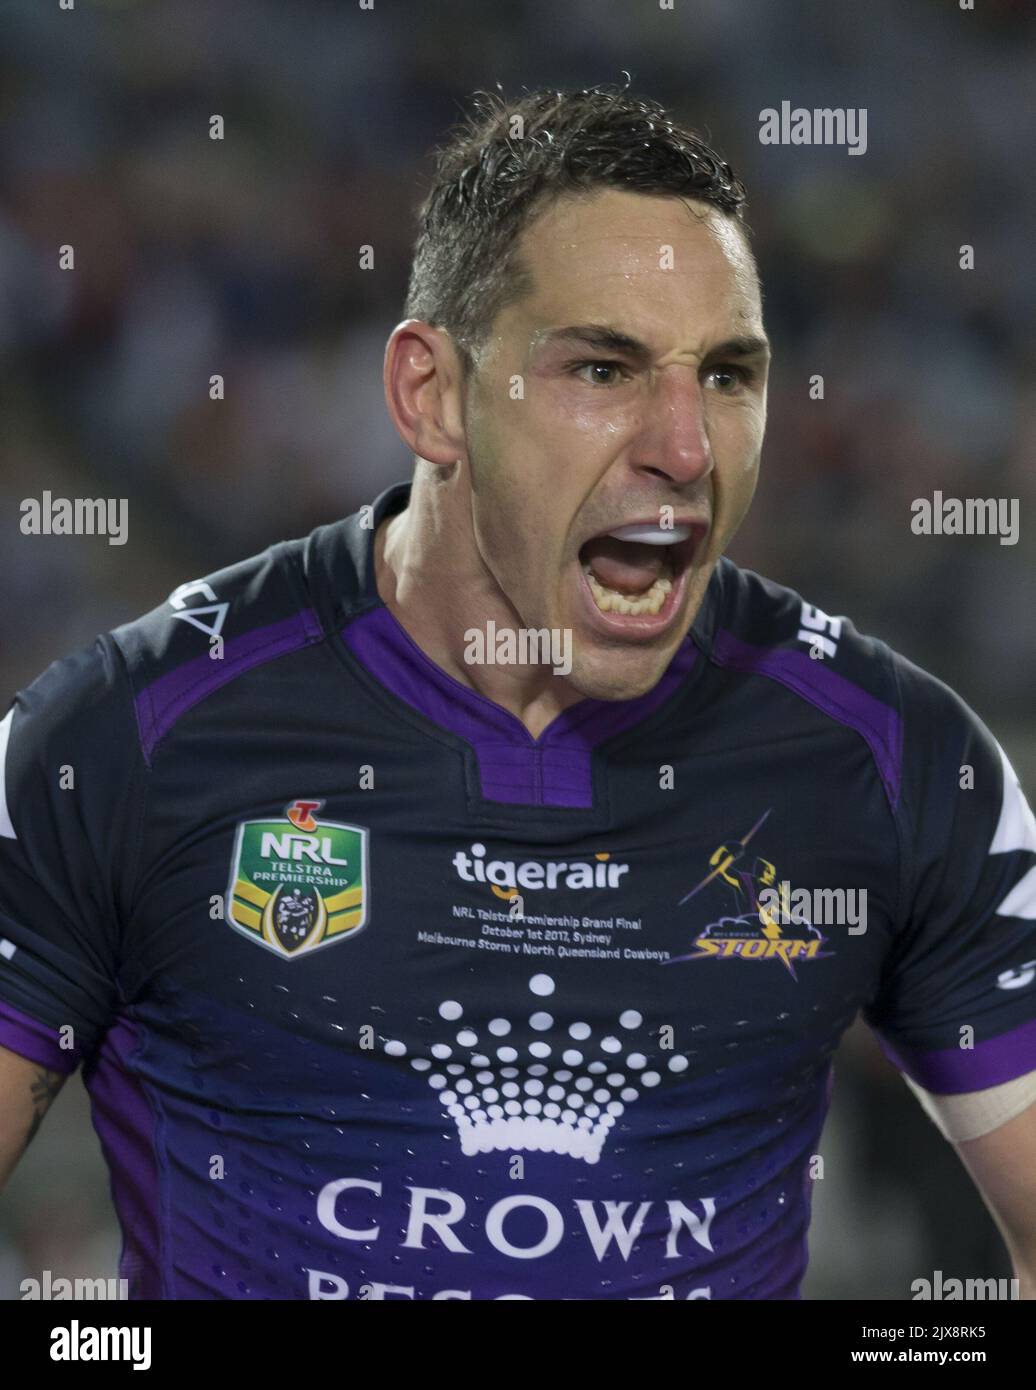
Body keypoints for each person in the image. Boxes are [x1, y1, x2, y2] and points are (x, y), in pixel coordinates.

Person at [1, 82, 1034, 1301]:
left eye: (727, 374)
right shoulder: (121, 734)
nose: (686, 447)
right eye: (603, 367)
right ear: (429, 396)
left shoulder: (897, 760)